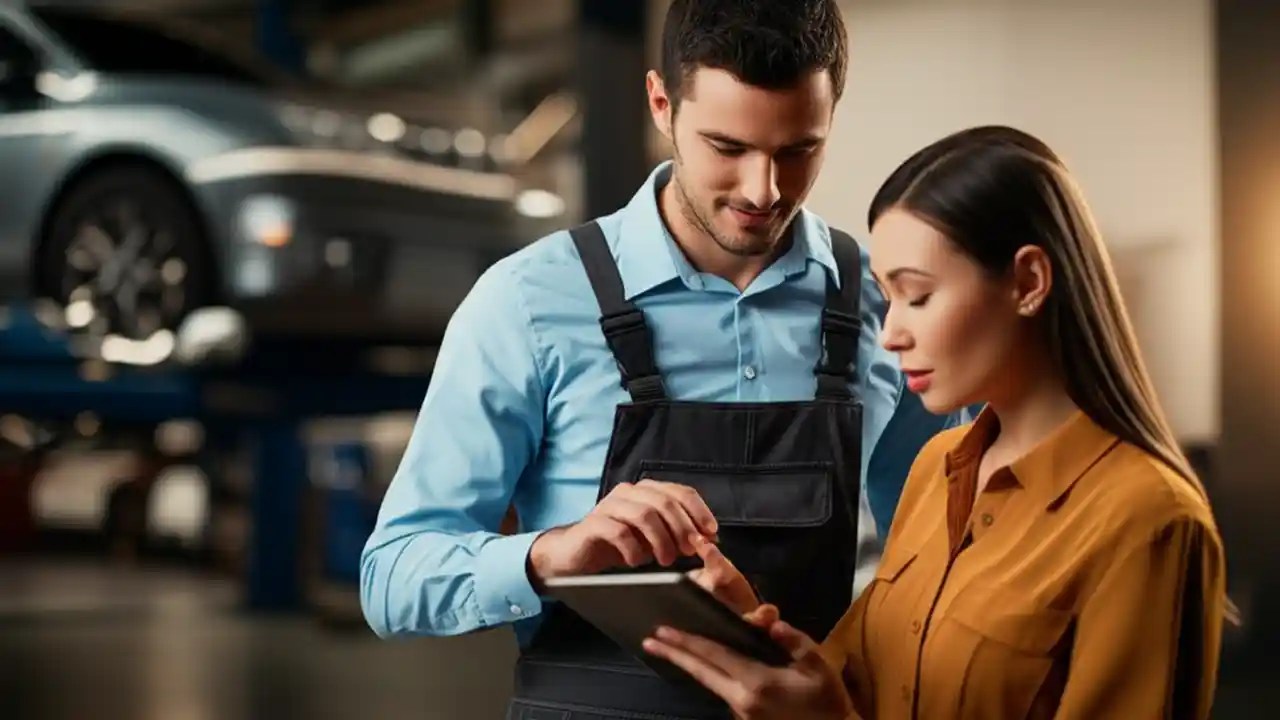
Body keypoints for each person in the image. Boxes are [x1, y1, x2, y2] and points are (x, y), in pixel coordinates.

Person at [359, 2, 969, 718]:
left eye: (798, 150)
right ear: (661, 103)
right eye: (727, 146)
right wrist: (548, 554)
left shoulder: (881, 303)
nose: (762, 190)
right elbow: (393, 578)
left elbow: (941, 570)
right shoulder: (526, 303)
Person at [643, 125, 1230, 719]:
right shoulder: (938, 466)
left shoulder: (1149, 520)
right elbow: (856, 685)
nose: (891, 334)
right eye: (886, 297)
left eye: (917, 296)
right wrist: (747, 624)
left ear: (1028, 282)